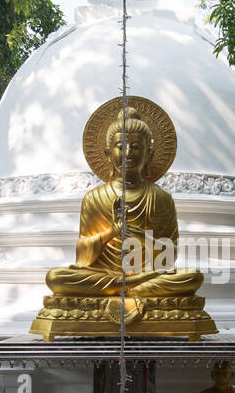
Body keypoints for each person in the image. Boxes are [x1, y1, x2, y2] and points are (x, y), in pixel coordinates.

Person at [45, 106, 202, 298]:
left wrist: (139, 235)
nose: (128, 153)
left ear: (149, 155)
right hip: (104, 274)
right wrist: (113, 232)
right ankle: (132, 288)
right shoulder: (94, 198)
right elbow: (83, 253)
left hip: (148, 273)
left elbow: (170, 254)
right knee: (55, 277)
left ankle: (123, 287)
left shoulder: (161, 198)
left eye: (135, 147)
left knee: (193, 277)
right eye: (121, 146)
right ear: (107, 153)